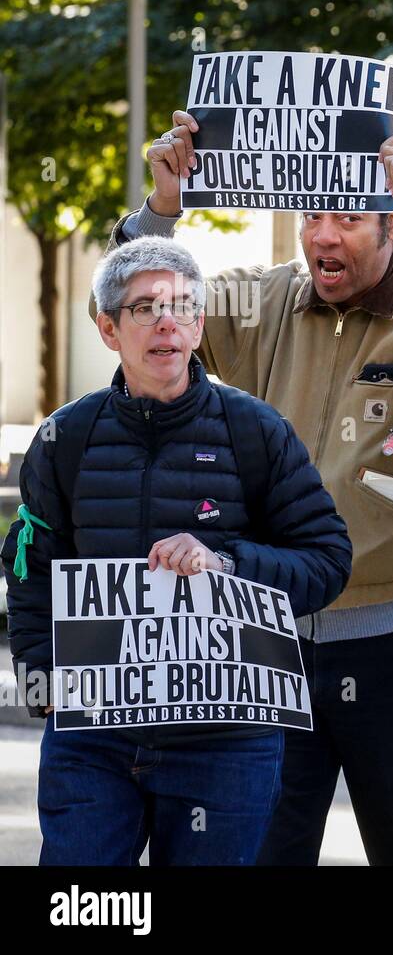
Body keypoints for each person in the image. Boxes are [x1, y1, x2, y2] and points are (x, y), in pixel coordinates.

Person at [92, 109, 393, 866]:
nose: (324, 234)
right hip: (267, 641)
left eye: (351, 216)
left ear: (389, 224)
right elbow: (138, 303)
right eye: (312, 213)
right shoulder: (261, 302)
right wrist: (162, 207)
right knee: (257, 852)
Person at [2, 237, 352, 865]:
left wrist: (225, 565)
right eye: (144, 308)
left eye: (182, 306)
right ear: (109, 329)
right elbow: (29, 561)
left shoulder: (257, 431)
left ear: (196, 326)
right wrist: (40, 675)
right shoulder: (65, 436)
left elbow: (327, 561)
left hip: (225, 740)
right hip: (93, 737)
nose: (166, 320)